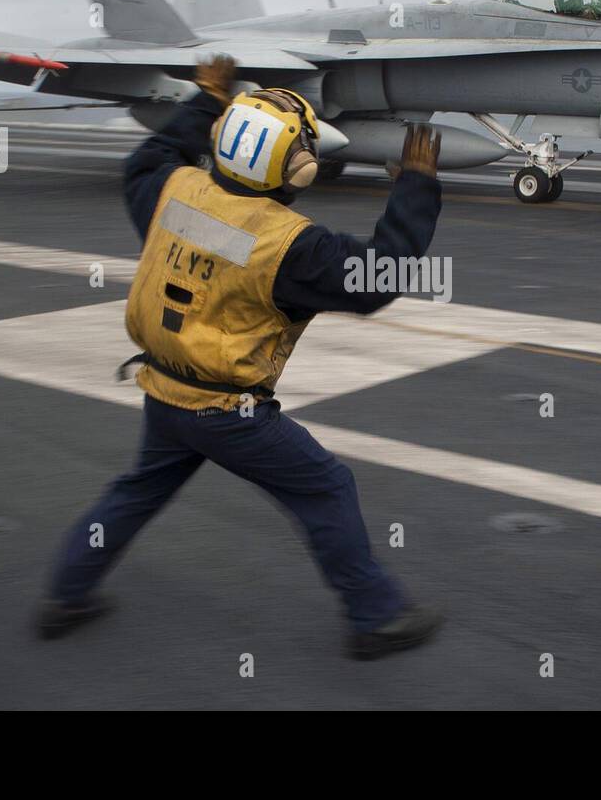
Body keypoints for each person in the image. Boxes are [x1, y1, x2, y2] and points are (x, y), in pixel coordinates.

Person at [38, 55, 445, 659]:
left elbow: (146, 159)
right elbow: (378, 279)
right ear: (298, 168)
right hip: (228, 412)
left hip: (165, 387)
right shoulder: (290, 245)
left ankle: (66, 592)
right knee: (326, 487)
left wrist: (203, 98)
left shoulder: (170, 191)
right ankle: (376, 616)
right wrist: (414, 186)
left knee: (139, 489)